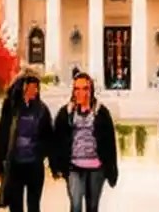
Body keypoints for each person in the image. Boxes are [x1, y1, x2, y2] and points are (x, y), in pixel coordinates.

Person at [51, 72, 119, 212]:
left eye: (85, 88)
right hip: (74, 167)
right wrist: (56, 165)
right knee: (75, 206)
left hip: (96, 167)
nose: (81, 93)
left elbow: (109, 143)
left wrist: (112, 169)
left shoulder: (101, 112)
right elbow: (57, 140)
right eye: (77, 89)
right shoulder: (66, 113)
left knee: (92, 207)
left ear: (91, 90)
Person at [0, 74, 53, 212]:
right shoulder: (11, 108)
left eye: (37, 88)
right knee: (15, 206)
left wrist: (44, 154)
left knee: (34, 205)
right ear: (24, 88)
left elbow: (48, 135)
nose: (35, 91)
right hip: (16, 165)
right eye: (32, 87)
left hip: (34, 165)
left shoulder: (41, 109)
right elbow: (2, 135)